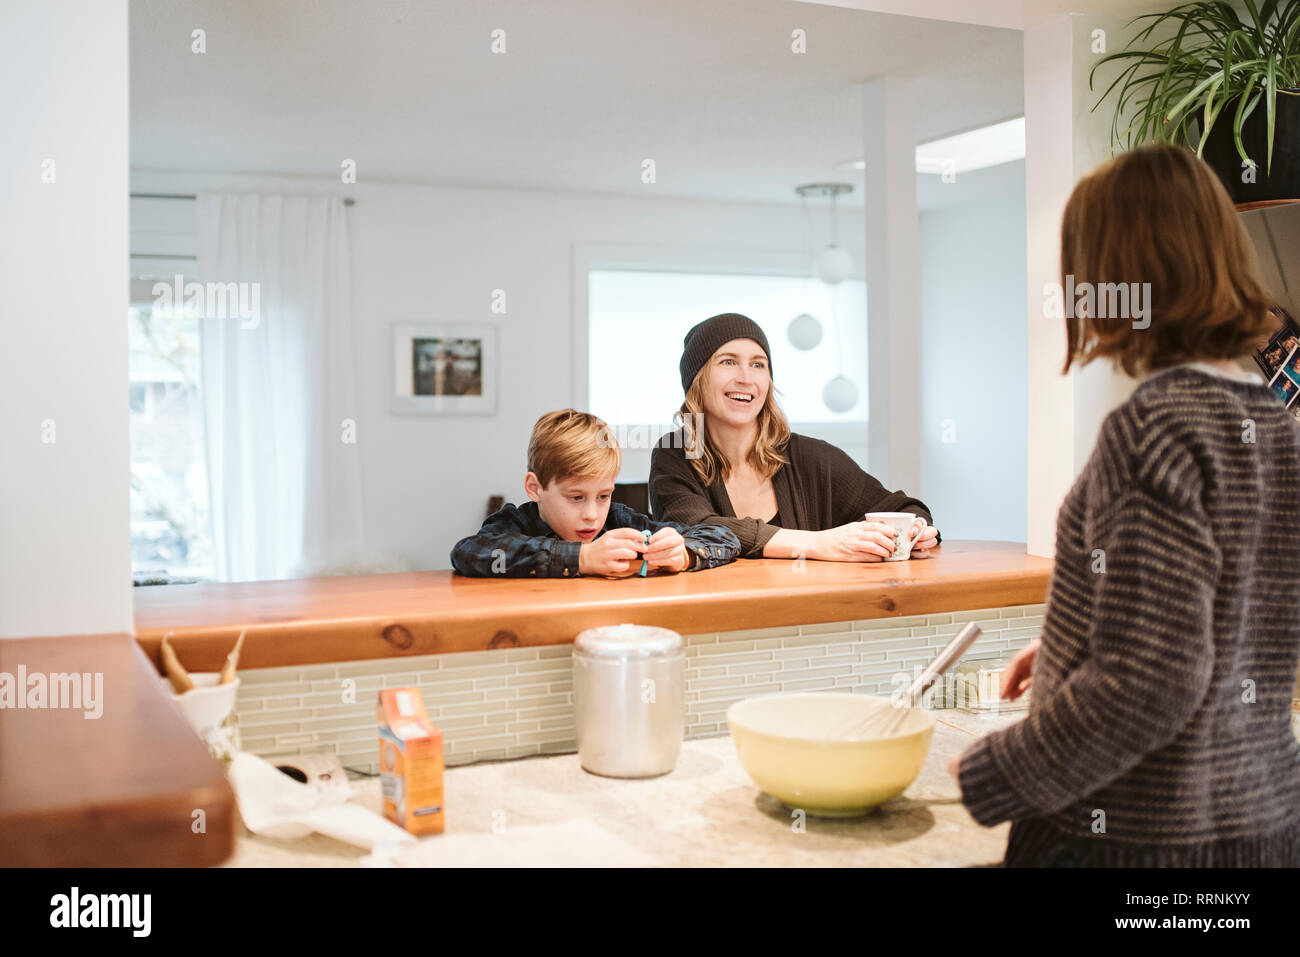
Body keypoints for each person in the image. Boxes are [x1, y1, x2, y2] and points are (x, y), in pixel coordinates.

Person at [951, 144, 1300, 867]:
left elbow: (1152, 681)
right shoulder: (1273, 422)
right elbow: (1226, 620)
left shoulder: (1152, 431)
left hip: (1132, 839)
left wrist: (998, 770)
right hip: (1262, 823)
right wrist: (1078, 644)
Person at [648, 312, 939, 562]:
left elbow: (905, 508)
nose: (746, 378)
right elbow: (699, 531)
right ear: (696, 380)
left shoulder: (811, 457)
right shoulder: (675, 454)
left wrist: (914, 530)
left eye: (758, 364)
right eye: (728, 362)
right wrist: (821, 543)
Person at [451, 409, 740, 578]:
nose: (592, 514)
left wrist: (685, 553)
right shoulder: (513, 524)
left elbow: (724, 537)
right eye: (576, 498)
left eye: (603, 496)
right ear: (535, 488)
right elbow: (468, 552)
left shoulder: (618, 520)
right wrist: (582, 558)